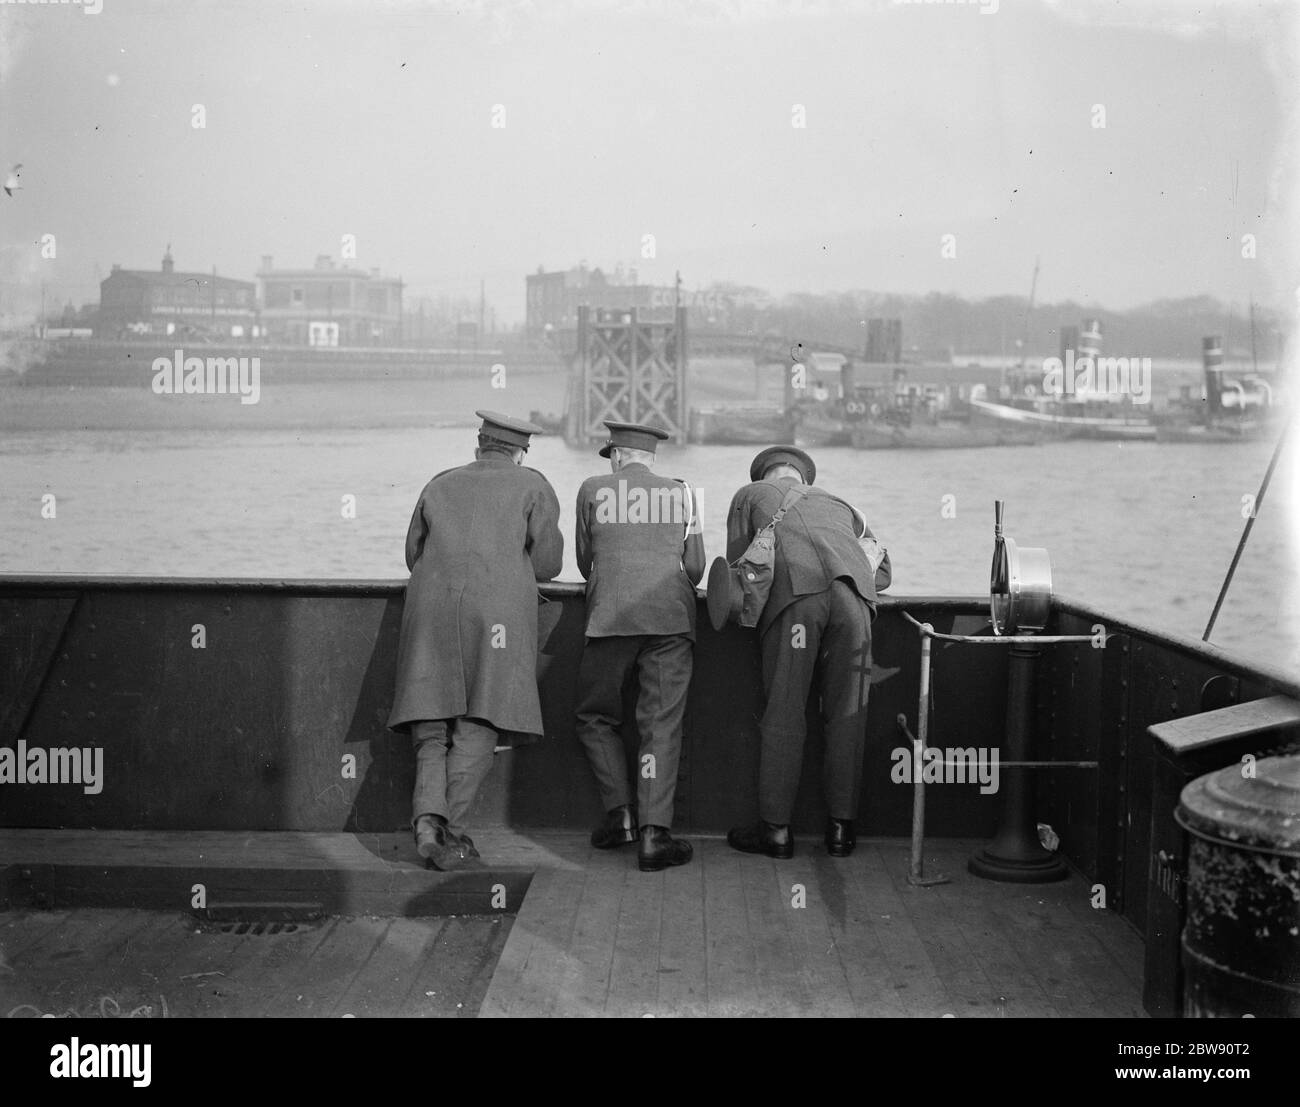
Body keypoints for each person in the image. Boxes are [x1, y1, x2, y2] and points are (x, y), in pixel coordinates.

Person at [388, 411, 563, 870]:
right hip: (497, 622)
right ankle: (451, 832)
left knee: (429, 725)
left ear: (478, 445)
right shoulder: (532, 485)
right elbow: (548, 563)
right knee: (478, 722)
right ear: (521, 451)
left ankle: (428, 823)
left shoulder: (440, 483)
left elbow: (412, 554)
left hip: (430, 612)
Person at [719, 445, 890, 859]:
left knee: (785, 713)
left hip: (797, 602)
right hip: (855, 603)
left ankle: (776, 832)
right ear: (804, 478)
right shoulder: (838, 504)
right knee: (848, 714)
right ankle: (840, 832)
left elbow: (738, 569)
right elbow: (882, 573)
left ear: (765, 475)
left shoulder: (750, 495)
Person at [574, 421, 706, 872]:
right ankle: (654, 837)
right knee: (660, 726)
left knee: (595, 716)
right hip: (670, 619)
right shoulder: (685, 493)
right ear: (652, 459)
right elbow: (695, 568)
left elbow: (584, 560)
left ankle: (621, 815)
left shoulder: (593, 488)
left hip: (608, 618)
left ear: (615, 456)